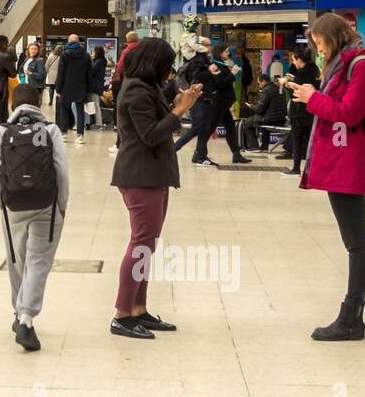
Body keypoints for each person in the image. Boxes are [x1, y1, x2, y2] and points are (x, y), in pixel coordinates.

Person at [288, 12, 365, 342]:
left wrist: (312, 98)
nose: (318, 51)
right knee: (354, 241)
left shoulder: (360, 66)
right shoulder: (344, 64)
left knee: (356, 243)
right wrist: (312, 93)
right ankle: (352, 315)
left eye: (320, 44)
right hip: (340, 159)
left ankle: (352, 317)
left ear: (334, 38)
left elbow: (348, 113)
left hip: (349, 159)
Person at [111, 38, 203, 339]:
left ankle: (138, 308)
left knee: (148, 244)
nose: (170, 70)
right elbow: (149, 135)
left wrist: (180, 102)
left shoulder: (146, 87)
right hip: (140, 175)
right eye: (167, 64)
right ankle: (122, 314)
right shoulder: (136, 90)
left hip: (153, 174)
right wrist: (179, 112)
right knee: (140, 242)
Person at [0, 82, 69, 352]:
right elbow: (61, 173)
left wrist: (3, 201)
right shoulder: (51, 130)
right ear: (38, 104)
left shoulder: (1, 131)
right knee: (39, 260)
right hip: (47, 204)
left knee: (16, 258)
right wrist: (62, 206)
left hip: (12, 205)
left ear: (12, 104)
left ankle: (17, 311)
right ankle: (26, 318)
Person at [173, 38, 249, 167]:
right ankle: (184, 152)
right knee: (203, 129)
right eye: (226, 51)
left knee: (220, 127)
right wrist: (231, 74)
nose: (228, 54)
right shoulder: (203, 61)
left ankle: (233, 154)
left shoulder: (208, 61)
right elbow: (216, 81)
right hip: (212, 101)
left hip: (214, 100)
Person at [279, 45, 319, 175]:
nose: (292, 62)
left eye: (293, 59)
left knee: (297, 141)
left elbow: (296, 94)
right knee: (312, 142)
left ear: (299, 59)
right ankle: (313, 169)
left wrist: (286, 84)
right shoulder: (315, 69)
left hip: (299, 113)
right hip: (313, 111)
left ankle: (296, 168)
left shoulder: (302, 73)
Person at [54, 33, 94, 145]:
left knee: (64, 109)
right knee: (80, 111)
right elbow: (89, 74)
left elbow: (60, 73)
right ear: (78, 42)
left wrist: (58, 88)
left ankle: (63, 133)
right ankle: (80, 136)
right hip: (81, 87)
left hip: (66, 87)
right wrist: (89, 88)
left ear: (69, 42)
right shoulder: (86, 55)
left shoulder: (64, 55)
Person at [240, 71, 287, 151]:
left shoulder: (266, 91)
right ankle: (264, 147)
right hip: (281, 119)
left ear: (264, 81)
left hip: (270, 119)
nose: (259, 86)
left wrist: (251, 106)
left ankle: (254, 146)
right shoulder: (279, 88)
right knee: (264, 120)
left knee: (247, 123)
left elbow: (259, 109)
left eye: (259, 83)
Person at [88, 45, 109, 129]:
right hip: (97, 85)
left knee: (95, 104)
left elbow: (92, 71)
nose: (92, 53)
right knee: (95, 103)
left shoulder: (98, 61)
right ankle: (97, 122)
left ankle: (99, 122)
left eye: (93, 51)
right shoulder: (100, 61)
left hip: (95, 86)